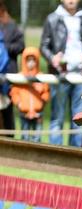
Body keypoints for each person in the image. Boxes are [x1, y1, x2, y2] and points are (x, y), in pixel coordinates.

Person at [40, 0, 82, 147]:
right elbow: (43, 46)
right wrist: (52, 58)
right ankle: (55, 156)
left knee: (79, 118)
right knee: (57, 118)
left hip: (81, 77)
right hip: (60, 75)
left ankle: (75, 156)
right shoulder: (52, 18)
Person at [9, 48, 50, 142]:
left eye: (33, 60)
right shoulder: (19, 77)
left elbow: (46, 91)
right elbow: (14, 92)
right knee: (25, 138)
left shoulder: (41, 76)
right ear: (24, 61)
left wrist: (43, 102)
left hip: (38, 113)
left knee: (37, 138)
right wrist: (18, 103)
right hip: (24, 113)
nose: (31, 63)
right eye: (28, 60)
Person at [0, 0, 25, 134]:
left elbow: (21, 45)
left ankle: (10, 142)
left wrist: (5, 49)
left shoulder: (10, 25)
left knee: (7, 112)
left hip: (7, 75)